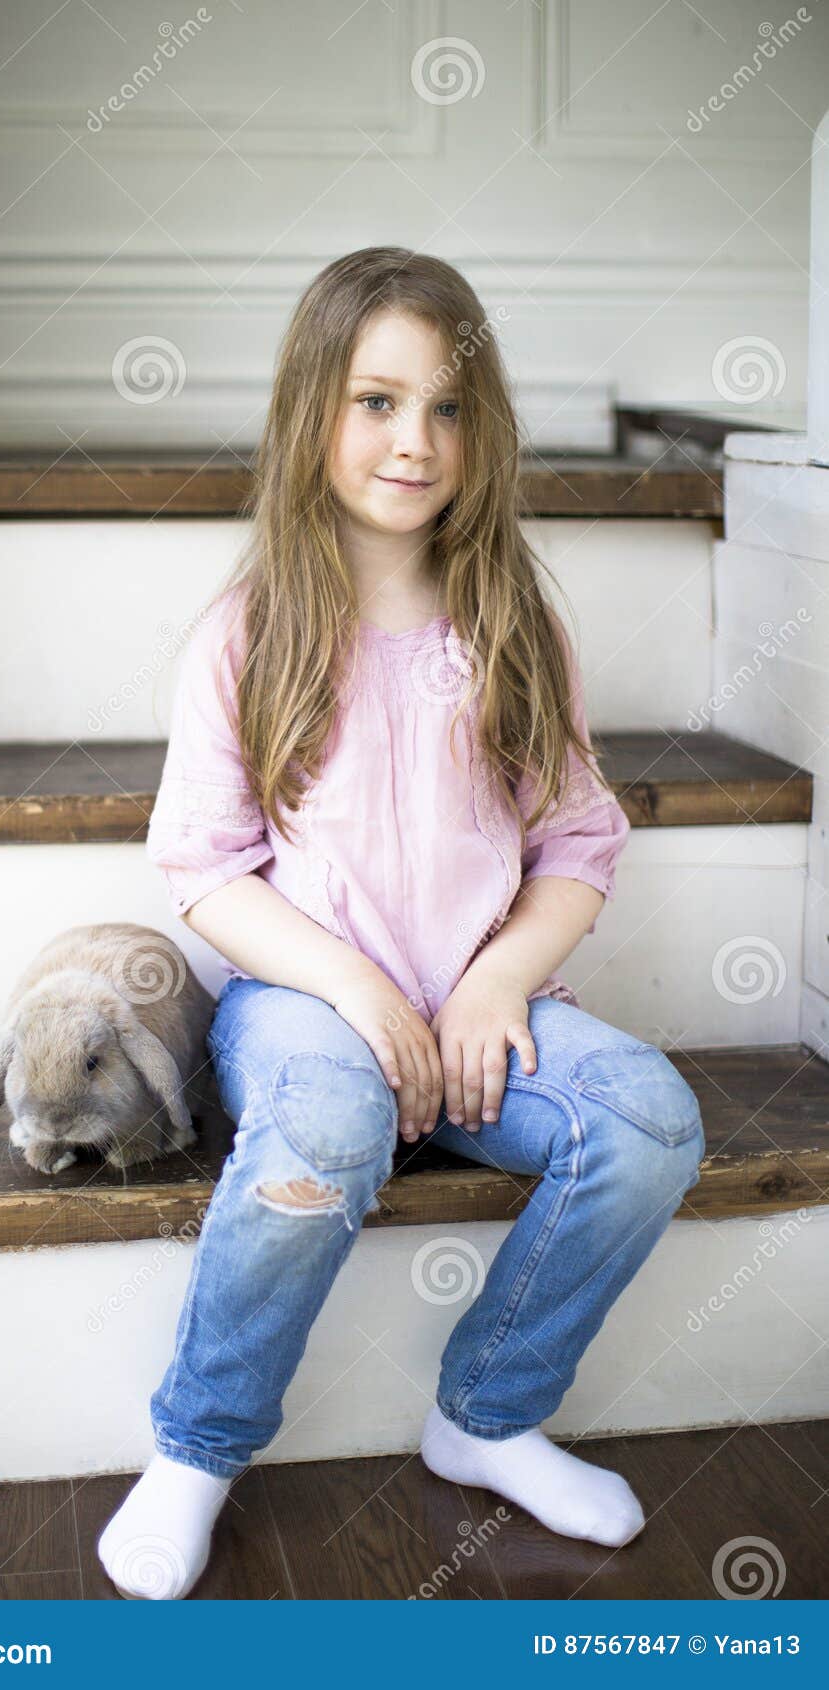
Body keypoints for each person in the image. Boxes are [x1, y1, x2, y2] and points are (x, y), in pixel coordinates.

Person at [97, 247, 705, 1600]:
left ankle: (484, 1414)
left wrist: (498, 984)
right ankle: (199, 1444)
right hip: (308, 999)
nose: (412, 440)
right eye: (375, 401)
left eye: (445, 407)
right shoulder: (248, 634)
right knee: (323, 1125)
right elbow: (202, 869)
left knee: (651, 1122)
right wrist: (361, 996)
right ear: (309, 411)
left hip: (484, 1007)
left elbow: (575, 842)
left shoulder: (514, 627)